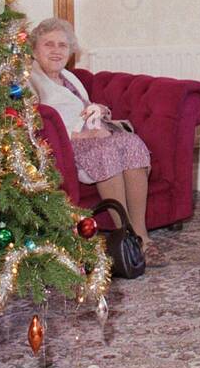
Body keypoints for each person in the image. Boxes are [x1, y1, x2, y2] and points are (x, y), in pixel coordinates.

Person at [28, 18, 155, 253]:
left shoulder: (70, 77)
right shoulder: (29, 80)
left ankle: (141, 235)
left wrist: (98, 118)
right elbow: (38, 120)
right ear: (35, 50)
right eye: (48, 44)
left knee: (132, 143)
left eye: (63, 45)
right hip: (65, 147)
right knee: (106, 150)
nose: (56, 51)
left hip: (91, 137)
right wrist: (81, 135)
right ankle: (125, 237)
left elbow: (81, 108)